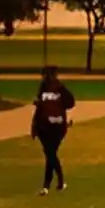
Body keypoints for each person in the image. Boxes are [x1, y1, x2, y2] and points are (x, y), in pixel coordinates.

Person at [30, 66, 75, 196]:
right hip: (46, 127)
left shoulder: (60, 89)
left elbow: (70, 103)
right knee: (50, 154)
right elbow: (39, 109)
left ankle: (51, 184)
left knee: (50, 154)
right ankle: (54, 184)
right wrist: (34, 126)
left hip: (56, 126)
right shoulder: (44, 88)